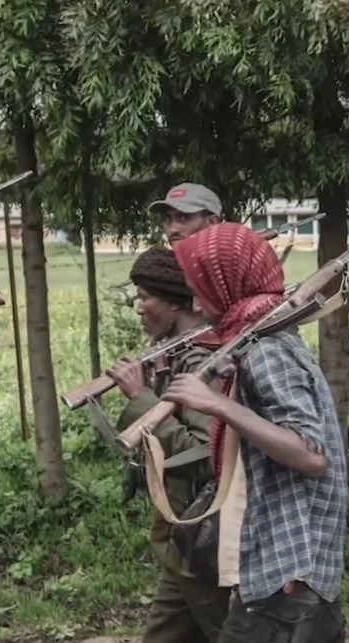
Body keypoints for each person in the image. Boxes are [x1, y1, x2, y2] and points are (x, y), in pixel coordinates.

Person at [160, 222, 348, 642]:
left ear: (227, 284)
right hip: (294, 563)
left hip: (291, 565)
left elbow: (312, 455)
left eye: (199, 287)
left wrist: (217, 404)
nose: (194, 300)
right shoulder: (257, 339)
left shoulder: (266, 348)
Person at [107, 247, 231, 643]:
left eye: (145, 298)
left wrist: (142, 399)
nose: (139, 308)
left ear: (175, 304)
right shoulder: (173, 357)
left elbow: (207, 457)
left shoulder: (201, 363)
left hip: (203, 537)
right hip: (182, 540)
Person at [148, 183, 223, 244]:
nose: (172, 229)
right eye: (167, 219)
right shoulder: (161, 261)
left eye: (182, 219)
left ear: (212, 222)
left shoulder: (230, 261)